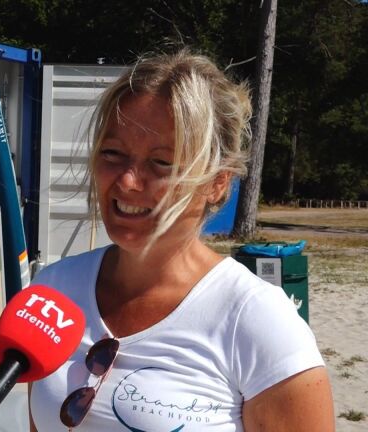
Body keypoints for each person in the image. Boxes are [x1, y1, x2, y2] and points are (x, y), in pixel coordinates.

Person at [27, 49, 334, 431]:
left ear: (217, 182)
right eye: (113, 153)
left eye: (161, 162)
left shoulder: (257, 319)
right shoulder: (51, 292)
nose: (127, 181)